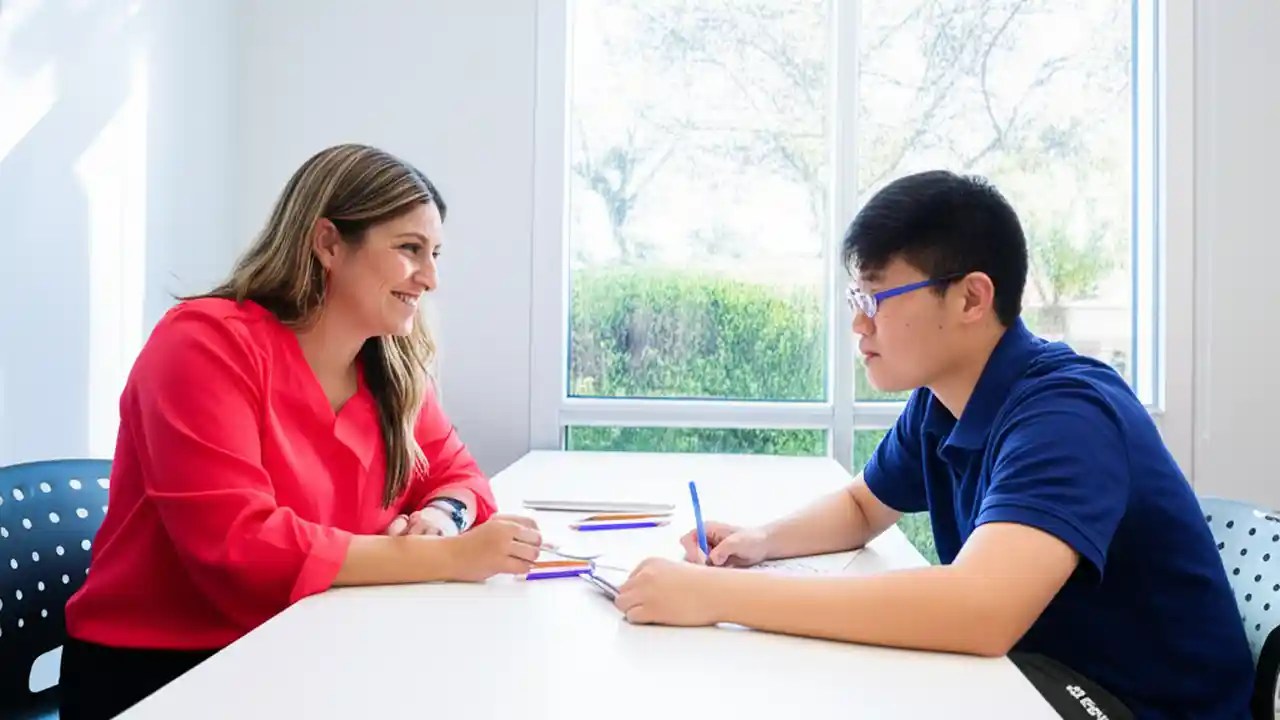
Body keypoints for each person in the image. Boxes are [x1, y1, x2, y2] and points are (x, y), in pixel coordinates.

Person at [614, 171, 1254, 719]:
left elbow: (979, 610)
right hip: (1034, 674)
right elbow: (863, 506)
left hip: (1132, 704)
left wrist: (714, 598)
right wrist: (759, 541)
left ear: (972, 297)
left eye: (876, 298)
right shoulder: (942, 399)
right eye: (856, 297)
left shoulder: (1067, 416)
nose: (858, 323)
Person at [60, 144, 543, 719]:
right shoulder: (203, 345)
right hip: (169, 671)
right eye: (410, 249)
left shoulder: (389, 367)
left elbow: (459, 477)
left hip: (309, 642)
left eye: (435, 253)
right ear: (329, 244)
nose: (431, 278)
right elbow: (240, 547)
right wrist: (445, 558)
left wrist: (441, 519)